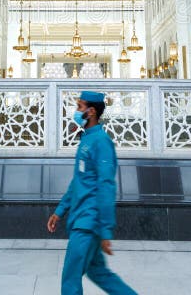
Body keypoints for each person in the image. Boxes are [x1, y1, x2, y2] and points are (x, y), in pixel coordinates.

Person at [47, 90, 137, 295]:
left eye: (80, 106)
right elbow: (78, 181)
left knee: (70, 277)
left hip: (88, 222)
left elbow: (106, 186)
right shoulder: (87, 139)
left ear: (92, 111)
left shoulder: (101, 142)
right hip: (81, 218)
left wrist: (105, 231)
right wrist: (59, 211)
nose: (76, 111)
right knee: (99, 273)